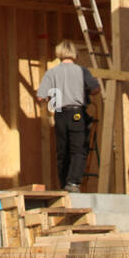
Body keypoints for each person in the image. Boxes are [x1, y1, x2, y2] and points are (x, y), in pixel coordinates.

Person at [36, 40, 100, 192]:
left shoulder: (52, 72)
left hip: (59, 114)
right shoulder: (81, 71)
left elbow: (41, 97)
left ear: (59, 54)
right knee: (78, 149)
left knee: (62, 151)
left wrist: (53, 97)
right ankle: (73, 183)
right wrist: (83, 90)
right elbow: (96, 89)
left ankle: (64, 184)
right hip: (76, 113)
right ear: (74, 54)